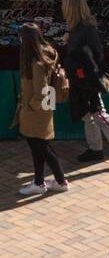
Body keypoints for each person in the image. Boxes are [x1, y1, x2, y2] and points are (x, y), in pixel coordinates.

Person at [60, 0, 109, 168]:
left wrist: (92, 70)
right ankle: (95, 148)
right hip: (80, 79)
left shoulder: (85, 28)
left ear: (70, 8)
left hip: (89, 78)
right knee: (88, 115)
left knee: (99, 113)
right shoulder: (77, 27)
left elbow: (97, 54)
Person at [14, 23, 69, 198]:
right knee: (39, 145)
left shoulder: (36, 63)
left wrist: (30, 106)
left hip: (36, 109)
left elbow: (41, 91)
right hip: (46, 104)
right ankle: (40, 181)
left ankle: (59, 181)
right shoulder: (47, 52)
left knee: (41, 146)